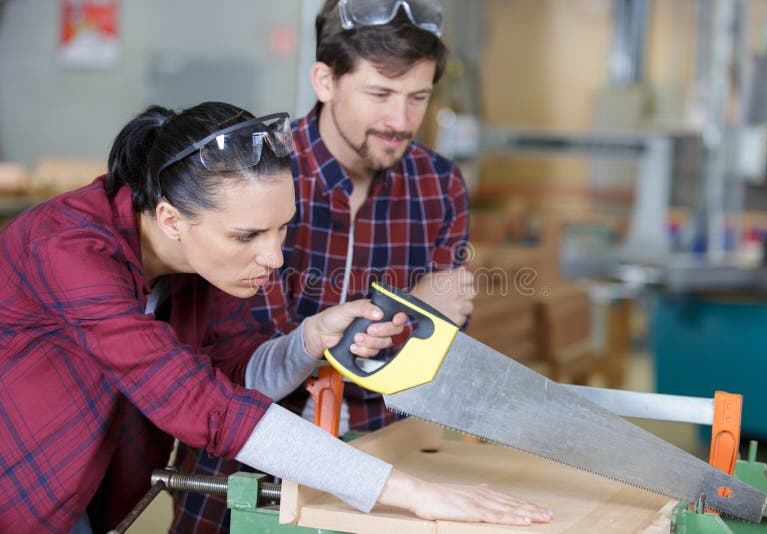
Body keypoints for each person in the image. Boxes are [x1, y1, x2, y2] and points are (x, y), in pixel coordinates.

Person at [0, 101, 553, 533]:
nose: (274, 257)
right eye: (248, 236)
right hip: (20, 490)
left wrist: (309, 339)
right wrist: (408, 491)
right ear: (171, 218)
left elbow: (235, 374)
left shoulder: (200, 259)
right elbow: (199, 403)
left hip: (84, 490)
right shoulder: (68, 248)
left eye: (281, 227)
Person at [172, 1, 480, 531]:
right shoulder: (258, 176)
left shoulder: (441, 185)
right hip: (249, 468)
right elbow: (250, 367)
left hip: (383, 461)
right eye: (380, 94)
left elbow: (436, 358)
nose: (400, 121)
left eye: (418, 98)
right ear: (325, 81)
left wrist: (419, 329)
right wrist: (417, 312)